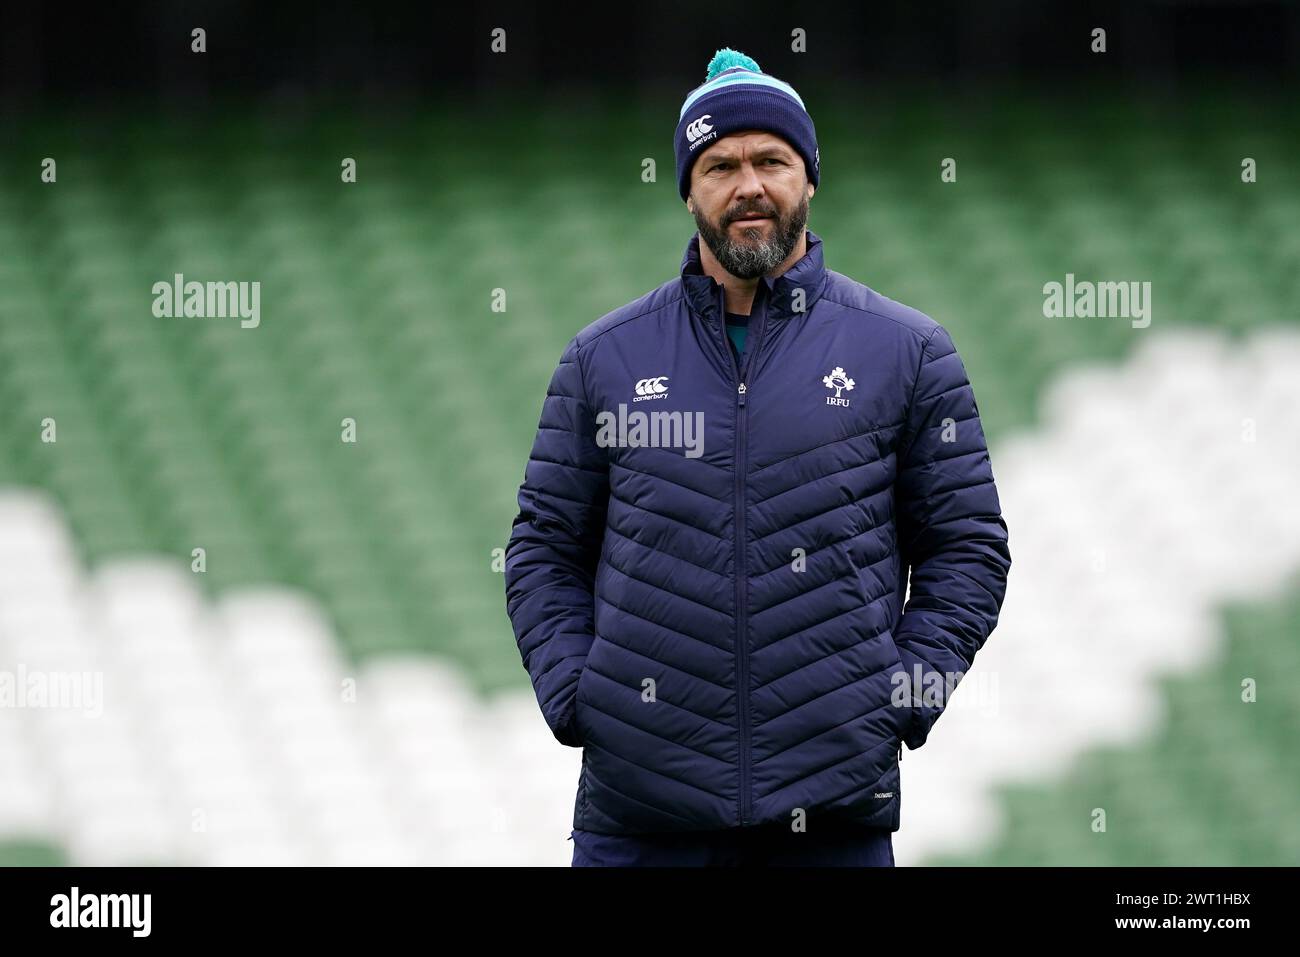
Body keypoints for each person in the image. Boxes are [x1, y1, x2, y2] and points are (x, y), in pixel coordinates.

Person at [504, 47, 1011, 867]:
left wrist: (903, 696)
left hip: (832, 818)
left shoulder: (906, 351)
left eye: (771, 160)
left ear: (808, 177)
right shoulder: (606, 358)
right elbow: (542, 546)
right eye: (720, 165)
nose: (749, 185)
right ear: (688, 189)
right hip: (641, 821)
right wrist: (578, 695)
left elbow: (969, 546)